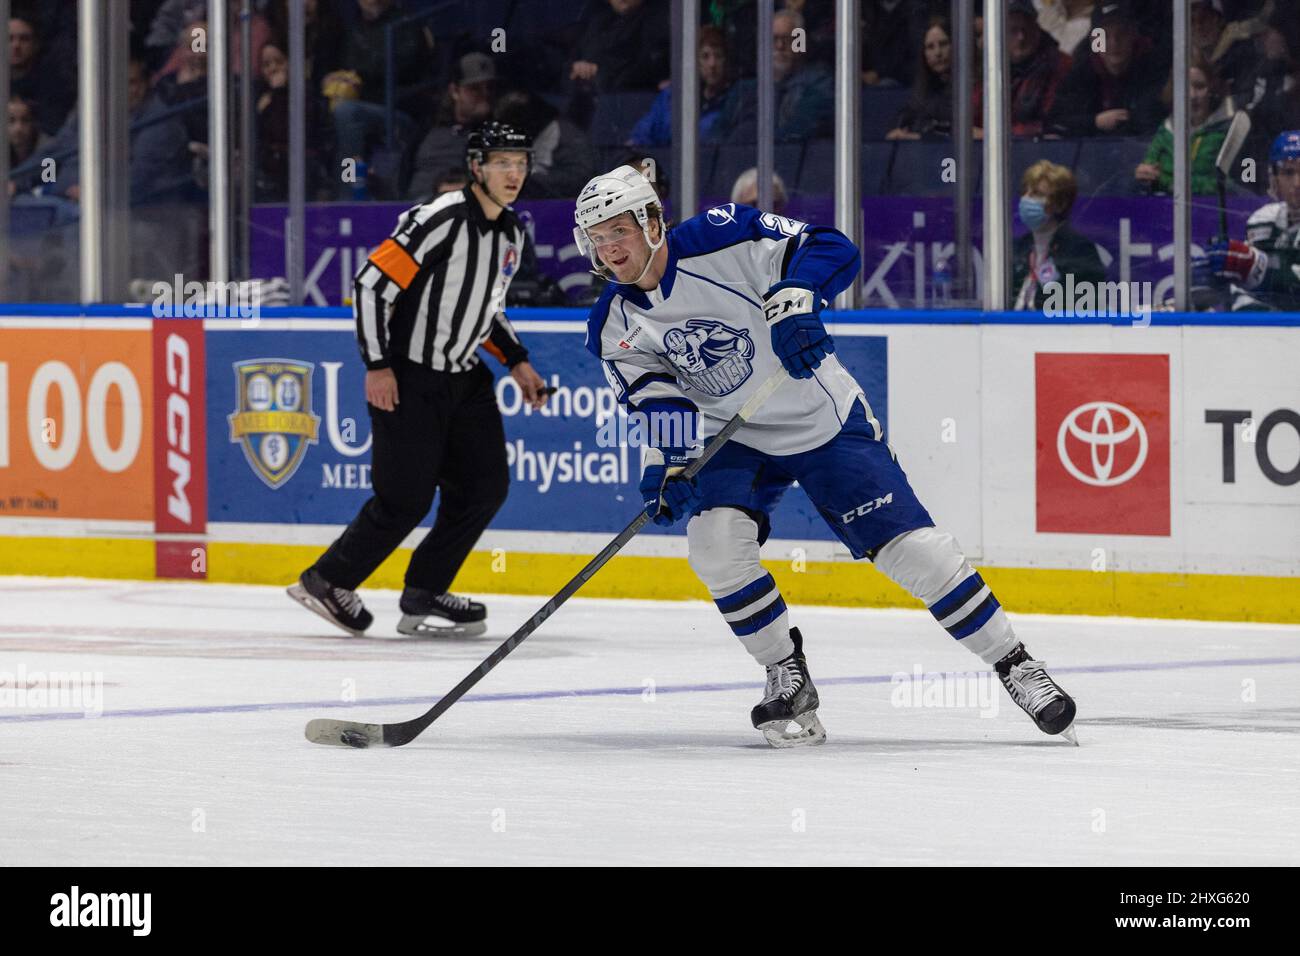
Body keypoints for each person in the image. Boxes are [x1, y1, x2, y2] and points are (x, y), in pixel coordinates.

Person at [575, 165, 1078, 747]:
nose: (610, 249)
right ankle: (785, 673)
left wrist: (798, 297)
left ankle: (1016, 665)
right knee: (714, 546)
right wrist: (668, 465)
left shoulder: (723, 235)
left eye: (619, 230)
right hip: (730, 435)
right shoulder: (611, 322)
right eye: (598, 237)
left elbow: (830, 246)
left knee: (917, 553)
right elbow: (659, 402)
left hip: (819, 419)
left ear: (653, 222)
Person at [289, 123, 550, 637]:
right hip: (408, 374)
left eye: (520, 163)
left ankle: (425, 589)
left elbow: (485, 308)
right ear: (477, 167)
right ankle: (326, 579)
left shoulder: (511, 232)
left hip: (464, 377)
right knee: (404, 499)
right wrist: (378, 364)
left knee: (484, 488)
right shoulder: (441, 218)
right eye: (502, 163)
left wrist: (517, 360)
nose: (513, 173)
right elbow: (370, 286)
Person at [1194, 130, 1300, 311]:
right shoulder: (1263, 220)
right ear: (1274, 178)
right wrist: (1219, 274)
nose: (1297, 183)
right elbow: (1246, 291)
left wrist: (1254, 267)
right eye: (1288, 172)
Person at [1046, 0, 1165, 138]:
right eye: (1104, 36)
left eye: (1121, 33)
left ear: (1133, 35)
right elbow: (1056, 120)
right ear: (1094, 41)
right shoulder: (1080, 71)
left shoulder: (1152, 68)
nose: (1114, 42)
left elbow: (1152, 118)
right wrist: (1095, 122)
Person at [1135, 55, 1237, 195]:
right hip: (1167, 209)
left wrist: (1169, 183)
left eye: (1200, 86)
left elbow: (1232, 186)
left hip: (1214, 212)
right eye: (1184, 87)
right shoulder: (1166, 130)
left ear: (1212, 88)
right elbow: (1150, 167)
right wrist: (1144, 174)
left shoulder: (1230, 131)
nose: (1192, 95)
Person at [1012, 160, 1105, 310]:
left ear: (1060, 204)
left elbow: (1087, 305)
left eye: (1037, 194)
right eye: (1025, 193)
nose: (1026, 199)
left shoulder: (1079, 251)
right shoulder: (1017, 248)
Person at [627, 25, 740, 148]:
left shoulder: (735, 103)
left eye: (718, 56)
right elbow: (641, 136)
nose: (712, 64)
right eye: (705, 56)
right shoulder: (671, 97)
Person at [973, 0, 1071, 140]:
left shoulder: (1059, 65)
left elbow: (1050, 124)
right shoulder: (989, 66)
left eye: (1026, 29)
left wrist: (989, 135)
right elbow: (972, 114)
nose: (1021, 38)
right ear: (1000, 34)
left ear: (1037, 29)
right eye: (1013, 31)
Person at [405, 52, 497, 200]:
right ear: (455, 91)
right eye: (475, 88)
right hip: (413, 209)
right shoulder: (427, 128)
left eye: (490, 87)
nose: (485, 94)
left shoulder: (498, 136)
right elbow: (401, 175)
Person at [886, 15, 954, 140]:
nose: (938, 53)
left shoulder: (972, 88)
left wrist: (920, 137)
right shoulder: (921, 92)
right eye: (930, 47)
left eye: (943, 44)